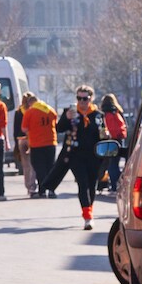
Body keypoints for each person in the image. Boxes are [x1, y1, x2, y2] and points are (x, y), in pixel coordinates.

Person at [58, 85, 105, 228]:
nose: (82, 101)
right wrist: (66, 118)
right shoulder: (70, 112)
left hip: (94, 156)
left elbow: (101, 134)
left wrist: (106, 135)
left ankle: (88, 209)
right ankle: (87, 217)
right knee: (83, 184)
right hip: (75, 156)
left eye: (85, 98)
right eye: (79, 98)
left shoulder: (97, 114)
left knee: (92, 186)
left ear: (91, 98)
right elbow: (59, 129)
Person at [22, 94, 59, 198]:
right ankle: (52, 190)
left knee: (39, 168)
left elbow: (24, 129)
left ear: (30, 103)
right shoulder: (50, 110)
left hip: (36, 143)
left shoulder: (30, 112)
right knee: (50, 167)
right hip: (51, 142)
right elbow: (55, 123)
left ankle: (42, 190)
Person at [99, 94, 127, 193]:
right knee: (116, 163)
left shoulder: (105, 113)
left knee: (112, 165)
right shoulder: (117, 111)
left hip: (111, 140)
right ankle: (120, 183)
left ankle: (116, 185)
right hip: (120, 139)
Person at [14, 93, 37, 197]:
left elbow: (15, 130)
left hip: (21, 140)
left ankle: (28, 186)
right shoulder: (34, 111)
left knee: (25, 165)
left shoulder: (18, 112)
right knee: (33, 164)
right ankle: (32, 186)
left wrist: (15, 144)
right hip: (32, 138)